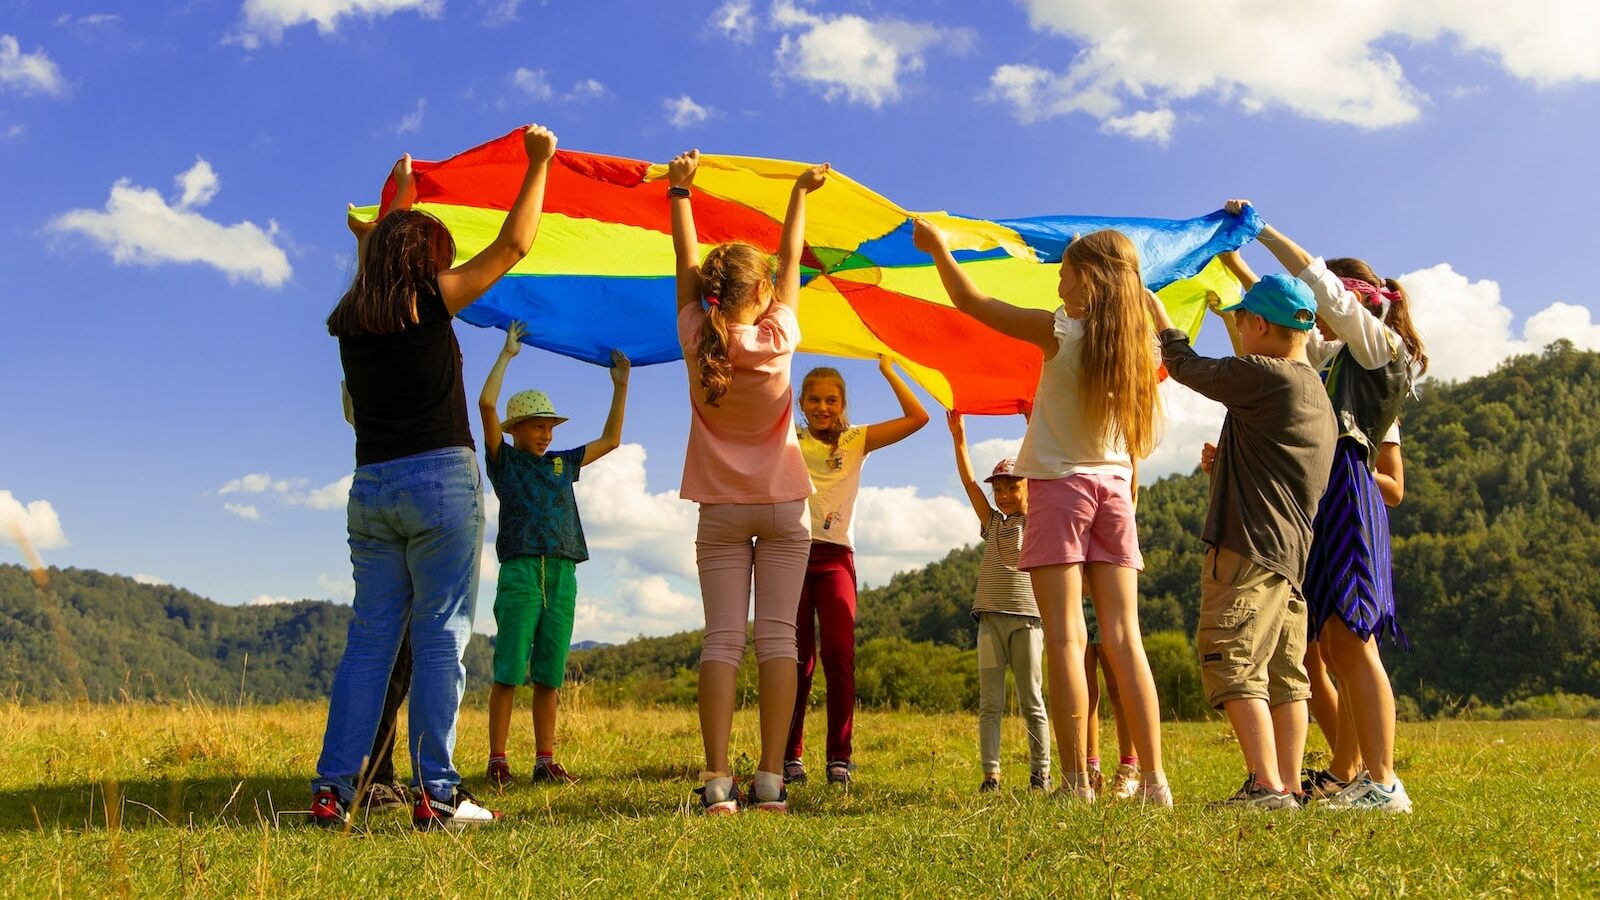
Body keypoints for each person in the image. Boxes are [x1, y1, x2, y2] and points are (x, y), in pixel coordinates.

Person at [312, 124, 558, 831]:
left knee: (370, 640)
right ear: (424, 260)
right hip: (439, 486)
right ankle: (439, 793)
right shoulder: (430, 301)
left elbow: (375, 256)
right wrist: (537, 164)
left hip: (372, 490)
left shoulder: (354, 316)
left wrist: (402, 192)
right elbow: (515, 244)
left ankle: (333, 791)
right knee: (442, 637)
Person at [913, 220, 1172, 805]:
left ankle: (1077, 782)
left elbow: (971, 300)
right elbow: (1158, 324)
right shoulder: (1142, 346)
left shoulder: (1061, 331)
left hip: (1059, 487)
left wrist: (939, 250)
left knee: (1064, 638)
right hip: (1114, 490)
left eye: (1065, 268)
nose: (1057, 275)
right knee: (1128, 638)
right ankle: (1156, 781)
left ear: (1087, 280)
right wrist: (1142, 297)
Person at [1230, 199, 1429, 813]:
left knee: (1353, 642)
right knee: (1336, 644)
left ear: (1353, 303)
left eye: (1328, 306)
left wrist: (1262, 231)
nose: (1316, 318)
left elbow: (1313, 283)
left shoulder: (1377, 347)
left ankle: (1383, 779)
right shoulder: (1335, 355)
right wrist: (1235, 263)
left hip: (1349, 488)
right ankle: (1363, 776)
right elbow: (1290, 319)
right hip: (1325, 490)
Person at [670, 149, 827, 814]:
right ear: (761, 296)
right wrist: (799, 193)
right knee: (779, 641)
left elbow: (683, 266)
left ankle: (714, 781)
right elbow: (793, 261)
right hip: (785, 507)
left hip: (720, 512)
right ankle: (768, 780)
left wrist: (681, 192)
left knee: (723, 641)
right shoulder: (780, 335)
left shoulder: (695, 336)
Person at [1149, 269, 1337, 809]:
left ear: (1258, 323)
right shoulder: (1313, 393)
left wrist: (1159, 318)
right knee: (1285, 675)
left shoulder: (1269, 376)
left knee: (1233, 659)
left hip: (1248, 548)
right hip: (1288, 556)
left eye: (1240, 322)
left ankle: (1265, 784)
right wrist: (1227, 462)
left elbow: (1185, 365)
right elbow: (1279, 468)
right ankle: (1291, 785)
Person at [479, 321, 629, 788]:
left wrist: (620, 386)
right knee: (508, 671)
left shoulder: (563, 463)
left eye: (549, 427)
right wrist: (506, 355)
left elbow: (611, 440)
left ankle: (545, 759)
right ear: (516, 430)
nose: (545, 434)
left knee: (549, 673)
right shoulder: (504, 462)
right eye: (537, 427)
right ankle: (498, 759)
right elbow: (485, 404)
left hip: (563, 571)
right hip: (521, 571)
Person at [783, 360, 928, 787]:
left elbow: (918, 418)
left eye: (831, 399)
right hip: (791, 555)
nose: (822, 406)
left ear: (843, 403)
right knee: (796, 661)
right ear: (801, 402)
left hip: (836, 559)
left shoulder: (856, 439)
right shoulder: (788, 437)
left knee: (839, 656)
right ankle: (790, 756)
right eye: (814, 399)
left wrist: (889, 369)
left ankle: (838, 759)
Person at [949, 414, 1051, 793]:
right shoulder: (992, 522)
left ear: (1029, 487)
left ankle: (1040, 773)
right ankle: (991, 775)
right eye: (1001, 489)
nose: (1005, 495)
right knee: (990, 702)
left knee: (1032, 700)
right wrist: (960, 438)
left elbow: (1045, 465)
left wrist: (1034, 422)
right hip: (989, 622)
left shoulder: (1039, 519)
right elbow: (969, 483)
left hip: (1026, 621)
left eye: (1013, 487)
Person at [1084, 600, 1139, 799]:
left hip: (1105, 600)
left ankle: (1128, 770)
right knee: (1084, 693)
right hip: (1074, 602)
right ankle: (1090, 772)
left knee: (1117, 688)